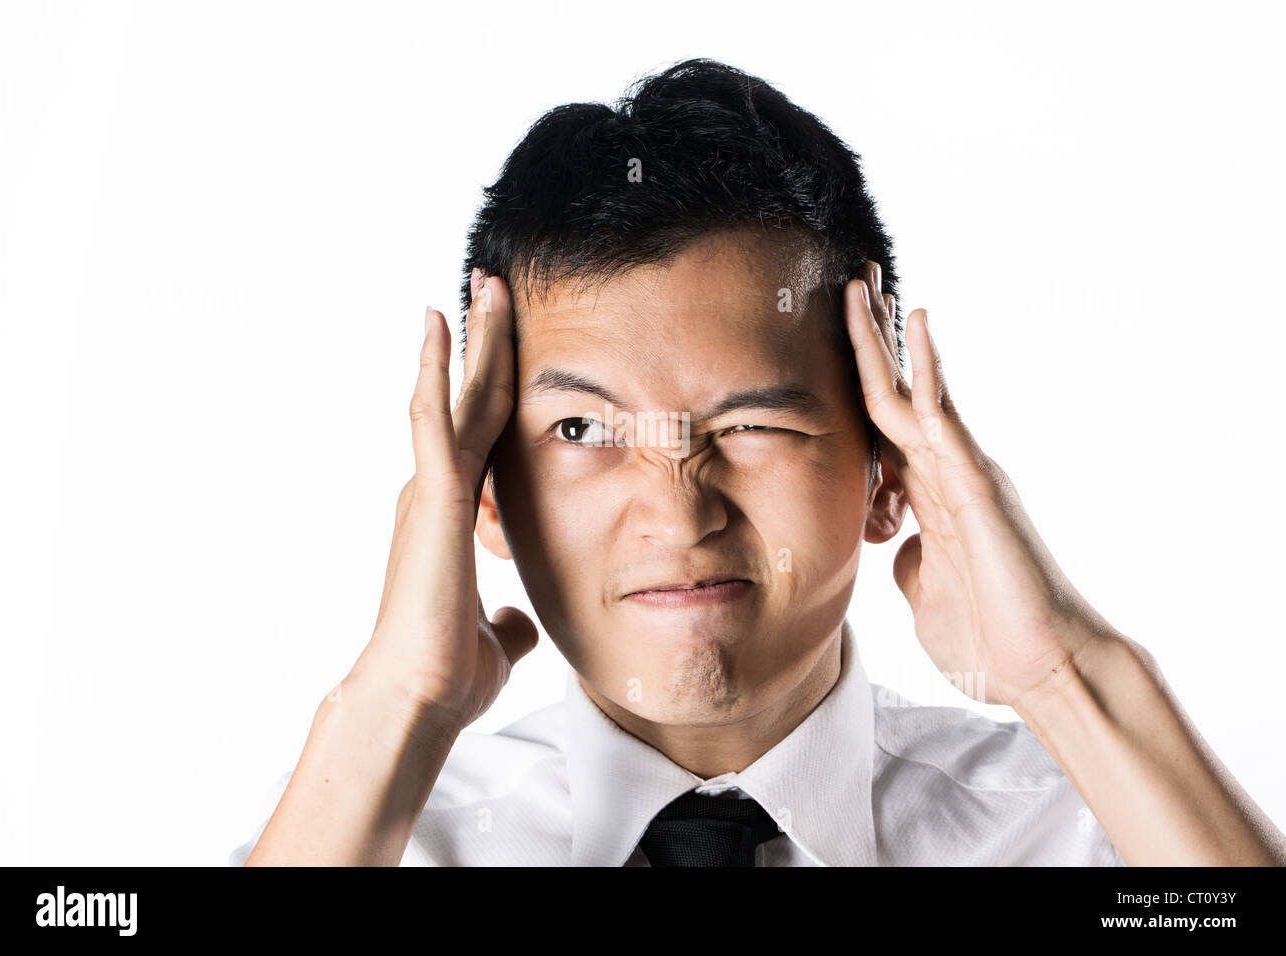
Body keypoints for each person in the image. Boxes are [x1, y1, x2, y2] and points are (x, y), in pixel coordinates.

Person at [230, 58, 1286, 866]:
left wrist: (1064, 671)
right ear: (485, 495)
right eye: (582, 430)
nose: (678, 514)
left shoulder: (1096, 837)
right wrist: (393, 704)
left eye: (754, 426)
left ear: (887, 472)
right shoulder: (363, 837)